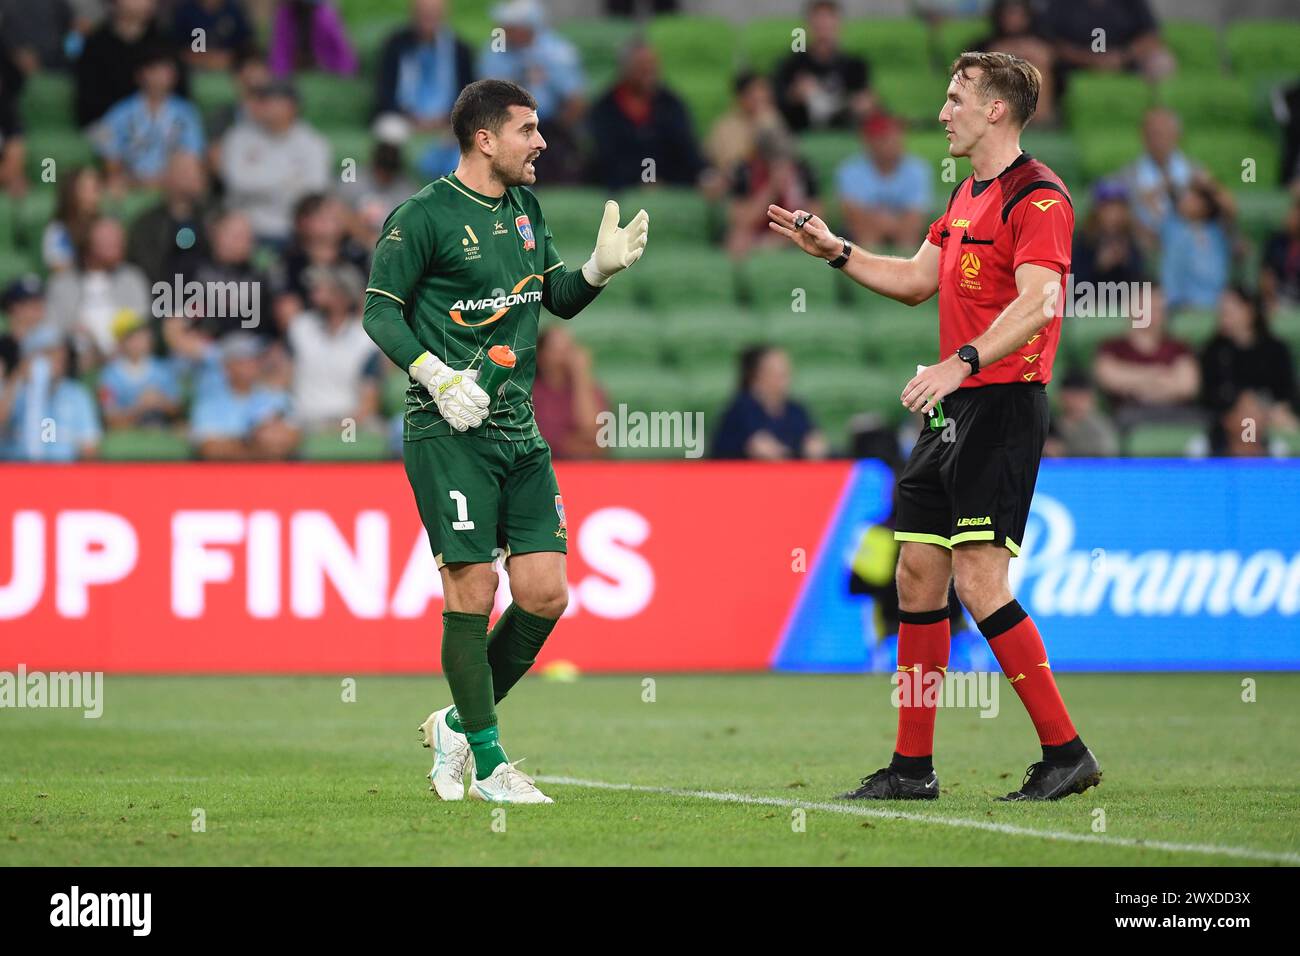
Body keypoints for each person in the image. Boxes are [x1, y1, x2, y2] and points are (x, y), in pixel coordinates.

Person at [769, 51, 1100, 802]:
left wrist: (963, 360)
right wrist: (838, 252)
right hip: (954, 409)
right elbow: (920, 279)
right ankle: (912, 768)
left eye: (956, 98)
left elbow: (1041, 302)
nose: (943, 110)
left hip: (1003, 405)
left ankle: (1066, 751)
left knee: (980, 579)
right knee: (918, 572)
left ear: (996, 110)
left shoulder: (1040, 198)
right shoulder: (964, 196)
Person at [362, 79, 648, 804]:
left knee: (546, 594)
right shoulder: (422, 216)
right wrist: (435, 375)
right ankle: (490, 765)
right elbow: (379, 313)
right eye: (528, 129)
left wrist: (596, 271)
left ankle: (459, 723)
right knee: (474, 587)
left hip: (519, 431)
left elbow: (553, 296)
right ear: (485, 138)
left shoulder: (525, 208)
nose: (541, 142)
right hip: (448, 428)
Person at [477, 0, 585, 183]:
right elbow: (485, 93)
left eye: (510, 27)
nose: (504, 30)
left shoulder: (558, 52)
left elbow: (576, 102)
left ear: (526, 28)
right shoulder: (496, 49)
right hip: (502, 125)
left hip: (548, 128)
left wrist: (555, 132)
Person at [585, 39, 707, 192]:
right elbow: (607, 157)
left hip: (669, 185)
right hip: (621, 188)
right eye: (641, 66)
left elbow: (686, 148)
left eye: (652, 65)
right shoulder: (605, 109)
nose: (648, 71)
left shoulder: (670, 104)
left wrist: (704, 175)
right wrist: (640, 181)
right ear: (625, 68)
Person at [219, 79, 331, 245]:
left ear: (292, 106)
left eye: (273, 100)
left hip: (293, 229)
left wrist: (258, 180)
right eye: (263, 100)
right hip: (247, 227)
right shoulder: (238, 136)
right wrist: (288, 181)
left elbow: (314, 191)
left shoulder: (314, 143)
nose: (265, 106)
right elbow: (237, 183)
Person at [283, 262, 382, 433]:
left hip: (349, 423)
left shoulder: (366, 339)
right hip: (302, 421)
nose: (313, 295)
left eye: (321, 289)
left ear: (342, 295)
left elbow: (369, 402)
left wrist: (339, 429)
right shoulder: (300, 327)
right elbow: (282, 379)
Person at [93, 43, 205, 193]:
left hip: (172, 186)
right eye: (153, 70)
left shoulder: (187, 112)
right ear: (139, 75)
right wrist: (125, 178)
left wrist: (165, 179)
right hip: (130, 185)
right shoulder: (118, 112)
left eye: (165, 69)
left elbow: (192, 155)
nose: (159, 76)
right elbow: (109, 156)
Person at [1200, 286, 1298, 452]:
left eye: (1229, 311)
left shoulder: (1276, 349)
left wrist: (1265, 408)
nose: (1224, 317)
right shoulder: (1214, 351)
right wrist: (1239, 406)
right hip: (1228, 419)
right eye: (1221, 311)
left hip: (1271, 415)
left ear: (1248, 311)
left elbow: (1287, 392)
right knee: (1246, 422)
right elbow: (1209, 394)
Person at [45, 216, 152, 363]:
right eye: (110, 241)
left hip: (123, 360)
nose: (119, 245)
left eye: (119, 240)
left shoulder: (132, 279)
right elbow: (54, 328)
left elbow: (140, 326)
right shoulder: (62, 283)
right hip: (77, 361)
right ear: (89, 244)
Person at [1094, 286, 1199, 422]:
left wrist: (1136, 384)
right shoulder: (1112, 347)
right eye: (1147, 307)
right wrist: (1157, 374)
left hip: (1174, 413)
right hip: (1128, 416)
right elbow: (1109, 379)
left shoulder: (1178, 348)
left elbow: (1187, 386)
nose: (1153, 314)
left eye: (1158, 309)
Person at [190, 332, 300, 458]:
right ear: (227, 366)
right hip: (225, 475)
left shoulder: (275, 396)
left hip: (270, 474)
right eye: (244, 359)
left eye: (256, 358)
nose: (252, 364)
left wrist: (237, 444)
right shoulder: (209, 403)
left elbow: (292, 436)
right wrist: (253, 444)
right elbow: (208, 448)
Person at [0, 326, 101, 461]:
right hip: (16, 471)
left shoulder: (77, 394)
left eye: (60, 352)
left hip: (62, 473)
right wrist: (17, 378)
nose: (57, 358)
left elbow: (90, 447)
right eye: (48, 353)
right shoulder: (13, 389)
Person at [835, 112, 933, 252]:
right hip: (864, 231)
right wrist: (884, 223)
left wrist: (889, 224)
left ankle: (906, 270)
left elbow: (917, 216)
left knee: (910, 232)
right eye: (882, 138)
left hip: (903, 230)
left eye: (893, 136)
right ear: (869, 142)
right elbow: (853, 214)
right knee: (865, 232)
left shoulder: (918, 168)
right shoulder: (850, 169)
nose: (889, 143)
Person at [75, 0, 181, 128]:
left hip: (159, 125)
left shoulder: (165, 42)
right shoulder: (95, 44)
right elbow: (88, 104)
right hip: (106, 125)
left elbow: (179, 94)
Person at [772, 0, 872, 133]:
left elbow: (865, 99)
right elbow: (774, 100)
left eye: (828, 22)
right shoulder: (792, 64)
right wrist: (794, 94)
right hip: (798, 132)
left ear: (840, 26)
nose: (823, 27)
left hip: (845, 131)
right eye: (818, 22)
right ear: (808, 26)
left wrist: (864, 104)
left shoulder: (855, 65)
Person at [711, 345, 827, 460]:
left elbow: (813, 441)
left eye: (786, 372)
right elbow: (761, 448)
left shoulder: (795, 409)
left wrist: (814, 446)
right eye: (777, 372)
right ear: (756, 374)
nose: (786, 378)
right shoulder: (741, 410)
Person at [725, 130, 820, 258]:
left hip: (794, 232)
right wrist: (772, 188)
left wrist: (783, 237)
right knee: (737, 239)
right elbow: (742, 221)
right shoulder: (746, 171)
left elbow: (816, 218)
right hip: (758, 232)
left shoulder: (802, 170)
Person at [126, 148, 212, 285]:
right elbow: (144, 270)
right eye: (185, 171)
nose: (193, 176)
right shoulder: (147, 225)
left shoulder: (212, 219)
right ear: (167, 176)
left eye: (197, 170)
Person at [1036, 0, 1173, 83]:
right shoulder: (1061, 3)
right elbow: (1049, 39)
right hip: (1072, 63)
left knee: (1161, 61)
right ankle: (1046, 120)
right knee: (1039, 55)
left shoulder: (1131, 3)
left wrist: (1122, 56)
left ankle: (1159, 123)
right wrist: (1089, 59)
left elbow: (1151, 34)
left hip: (1125, 61)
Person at [97, 308, 183, 429]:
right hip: (127, 440)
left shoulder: (164, 369)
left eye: (142, 334)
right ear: (120, 342)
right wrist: (140, 407)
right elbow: (110, 419)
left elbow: (178, 410)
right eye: (131, 337)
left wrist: (160, 401)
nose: (138, 341)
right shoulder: (109, 376)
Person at [973, 0, 1055, 124]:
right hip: (997, 95)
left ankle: (1041, 120)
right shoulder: (986, 44)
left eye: (1018, 14)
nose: (1014, 19)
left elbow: (1051, 58)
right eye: (1009, 14)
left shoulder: (1040, 40)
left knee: (1040, 65)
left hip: (1034, 98)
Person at [532, 325, 608, 459]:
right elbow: (547, 444)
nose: (566, 357)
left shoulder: (589, 388)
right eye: (557, 350)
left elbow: (593, 432)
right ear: (541, 356)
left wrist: (580, 375)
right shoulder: (533, 394)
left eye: (568, 349)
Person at [1159, 177, 1233, 312]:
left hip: (1216, 303)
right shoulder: (1172, 226)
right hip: (1183, 304)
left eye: (1193, 200)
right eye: (1186, 198)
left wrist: (1210, 186)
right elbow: (1172, 271)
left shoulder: (1216, 231)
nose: (1186, 202)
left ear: (1206, 206)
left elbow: (1229, 208)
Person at [704, 71, 786, 183]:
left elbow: (785, 154)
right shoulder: (726, 126)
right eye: (755, 93)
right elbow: (733, 168)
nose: (762, 97)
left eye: (764, 91)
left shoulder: (771, 117)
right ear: (741, 97)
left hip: (773, 181)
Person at [1071, 178, 1145, 287]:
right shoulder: (1085, 239)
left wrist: (1126, 261)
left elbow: (1140, 279)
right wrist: (1099, 265)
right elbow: (1073, 282)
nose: (1114, 214)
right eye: (1108, 208)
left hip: (1123, 301)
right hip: (1090, 301)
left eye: (1118, 208)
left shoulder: (1130, 237)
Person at [1042, 368, 1119, 457]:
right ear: (1061, 397)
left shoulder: (1100, 428)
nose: (1076, 402)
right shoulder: (1049, 424)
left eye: (1081, 398)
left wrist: (1063, 452)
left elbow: (1106, 457)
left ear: (1092, 399)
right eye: (1072, 396)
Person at [267, 0, 356, 77]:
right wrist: (280, 78)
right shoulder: (286, 15)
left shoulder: (325, 16)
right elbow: (280, 53)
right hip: (296, 76)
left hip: (328, 74)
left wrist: (342, 75)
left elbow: (343, 54)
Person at [42, 166, 105, 274]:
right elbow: (59, 269)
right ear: (73, 192)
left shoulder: (104, 226)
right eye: (88, 189)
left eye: (96, 189)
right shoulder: (59, 230)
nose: (95, 195)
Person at [172, 0, 254, 70]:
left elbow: (246, 45)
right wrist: (200, 58)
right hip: (191, 72)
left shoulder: (235, 10)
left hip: (231, 72)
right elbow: (176, 47)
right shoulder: (185, 11)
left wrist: (229, 58)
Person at [1261, 194, 1300, 306]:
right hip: (1278, 300)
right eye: (1292, 212)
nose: (1291, 217)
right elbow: (1266, 277)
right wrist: (1272, 299)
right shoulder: (1275, 242)